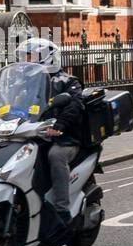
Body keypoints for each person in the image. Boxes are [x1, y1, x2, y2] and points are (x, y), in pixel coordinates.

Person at [15, 38, 84, 228]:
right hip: (33, 133)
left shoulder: (67, 81)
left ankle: (62, 209)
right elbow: (13, 103)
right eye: (25, 56)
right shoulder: (27, 83)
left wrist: (60, 125)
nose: (26, 60)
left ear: (47, 57)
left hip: (63, 138)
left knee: (55, 156)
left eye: (31, 56)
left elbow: (75, 105)